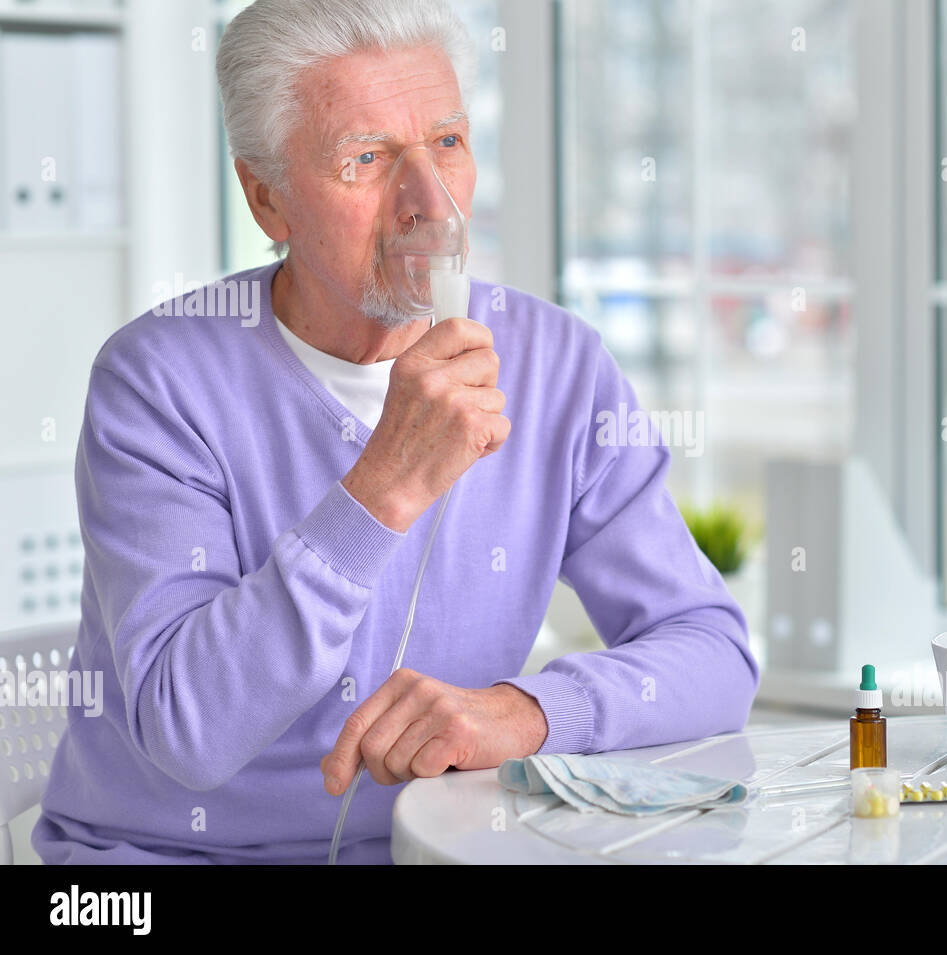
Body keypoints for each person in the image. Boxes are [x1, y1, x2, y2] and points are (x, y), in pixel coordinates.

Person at [33, 0, 757, 864]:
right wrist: (385, 486)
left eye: (447, 142)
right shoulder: (155, 384)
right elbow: (189, 729)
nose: (431, 202)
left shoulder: (559, 365)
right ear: (268, 200)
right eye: (367, 158)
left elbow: (713, 653)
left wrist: (524, 711)